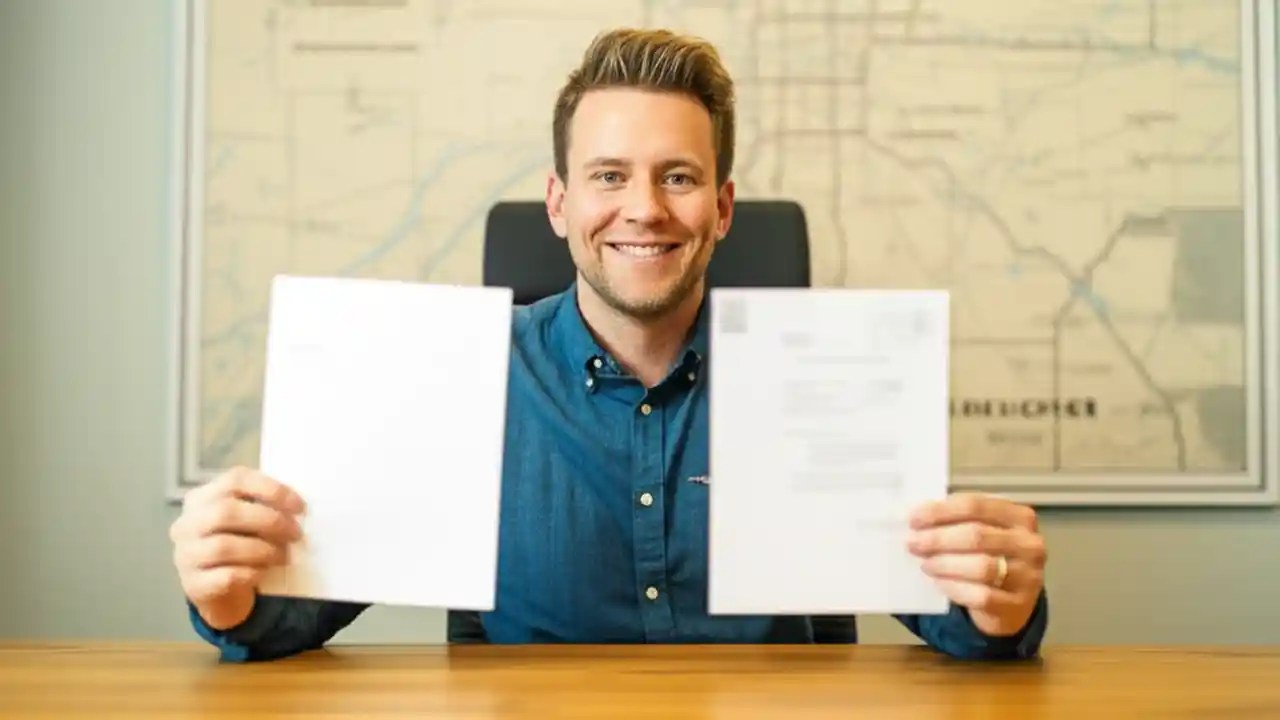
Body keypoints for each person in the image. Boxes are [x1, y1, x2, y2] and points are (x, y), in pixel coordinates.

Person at [170, 28, 1048, 662]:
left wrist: (998, 598)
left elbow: (962, 621)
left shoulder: (821, 380)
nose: (644, 209)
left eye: (678, 177)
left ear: (723, 207)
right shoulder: (463, 380)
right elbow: (289, 620)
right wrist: (230, 592)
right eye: (608, 176)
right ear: (559, 205)